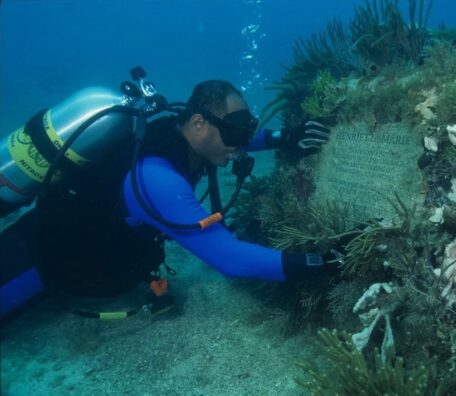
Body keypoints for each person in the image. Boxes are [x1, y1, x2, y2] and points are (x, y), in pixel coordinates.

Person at [0, 80, 335, 320]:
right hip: (39, 259)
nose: (240, 143)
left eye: (244, 130)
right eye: (235, 131)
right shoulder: (157, 179)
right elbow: (230, 259)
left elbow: (236, 140)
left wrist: (286, 137)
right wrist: (323, 262)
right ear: (198, 123)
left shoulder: (182, 134)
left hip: (81, 246)